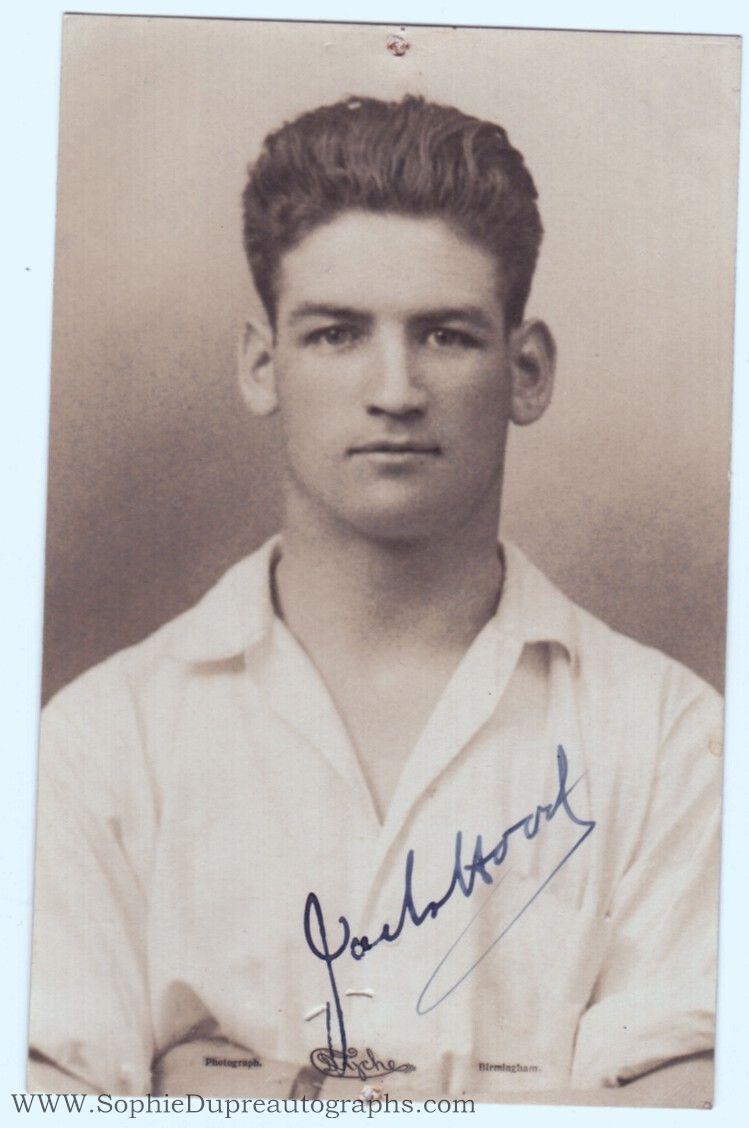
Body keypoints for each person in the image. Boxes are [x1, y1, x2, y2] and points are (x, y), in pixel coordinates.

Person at [28, 95, 722, 1105]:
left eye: (443, 336)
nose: (393, 389)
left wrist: (257, 1092)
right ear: (262, 365)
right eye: (335, 335)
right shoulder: (100, 744)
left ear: (524, 372)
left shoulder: (669, 741)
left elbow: (687, 1112)